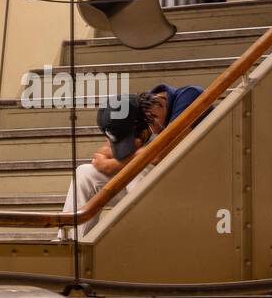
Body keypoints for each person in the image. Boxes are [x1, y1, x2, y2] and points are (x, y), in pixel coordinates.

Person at [57, 84, 205, 239]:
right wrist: (133, 152)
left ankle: (141, 241)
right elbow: (101, 154)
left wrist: (112, 164)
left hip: (194, 185)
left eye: (136, 138)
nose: (137, 144)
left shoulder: (189, 96)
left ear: (156, 109)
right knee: (85, 173)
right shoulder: (136, 106)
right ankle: (69, 244)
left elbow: (159, 153)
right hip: (154, 190)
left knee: (141, 167)